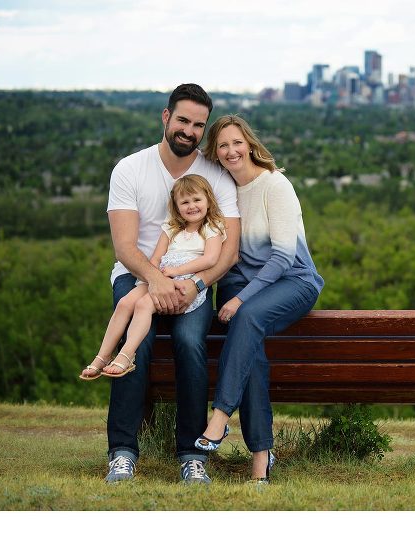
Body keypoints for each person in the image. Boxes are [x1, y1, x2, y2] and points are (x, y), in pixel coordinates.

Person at [95, 84, 240, 485]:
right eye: (182, 120)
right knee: (135, 345)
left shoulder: (217, 174)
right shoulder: (130, 169)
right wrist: (156, 279)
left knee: (191, 344)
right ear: (166, 117)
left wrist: (197, 284)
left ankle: (192, 455)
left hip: (194, 281)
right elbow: (125, 247)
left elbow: (228, 251)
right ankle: (122, 452)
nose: (189, 131)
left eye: (198, 125)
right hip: (137, 275)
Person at [195, 115, 324, 483]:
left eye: (237, 142)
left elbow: (283, 257)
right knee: (251, 350)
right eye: (222, 145)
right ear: (215, 154)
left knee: (247, 317)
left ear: (249, 144)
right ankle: (261, 462)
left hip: (292, 279)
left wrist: (240, 301)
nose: (231, 151)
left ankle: (220, 416)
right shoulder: (223, 191)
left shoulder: (275, 185)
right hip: (240, 279)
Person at [80, 174, 226, 381]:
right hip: (161, 277)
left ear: (208, 201)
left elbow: (210, 259)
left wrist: (177, 271)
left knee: (143, 305)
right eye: (185, 202)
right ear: (176, 207)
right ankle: (102, 356)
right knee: (125, 303)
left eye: (197, 200)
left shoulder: (212, 228)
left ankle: (126, 355)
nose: (192, 206)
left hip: (184, 281)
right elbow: (157, 257)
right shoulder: (171, 228)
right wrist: (155, 278)